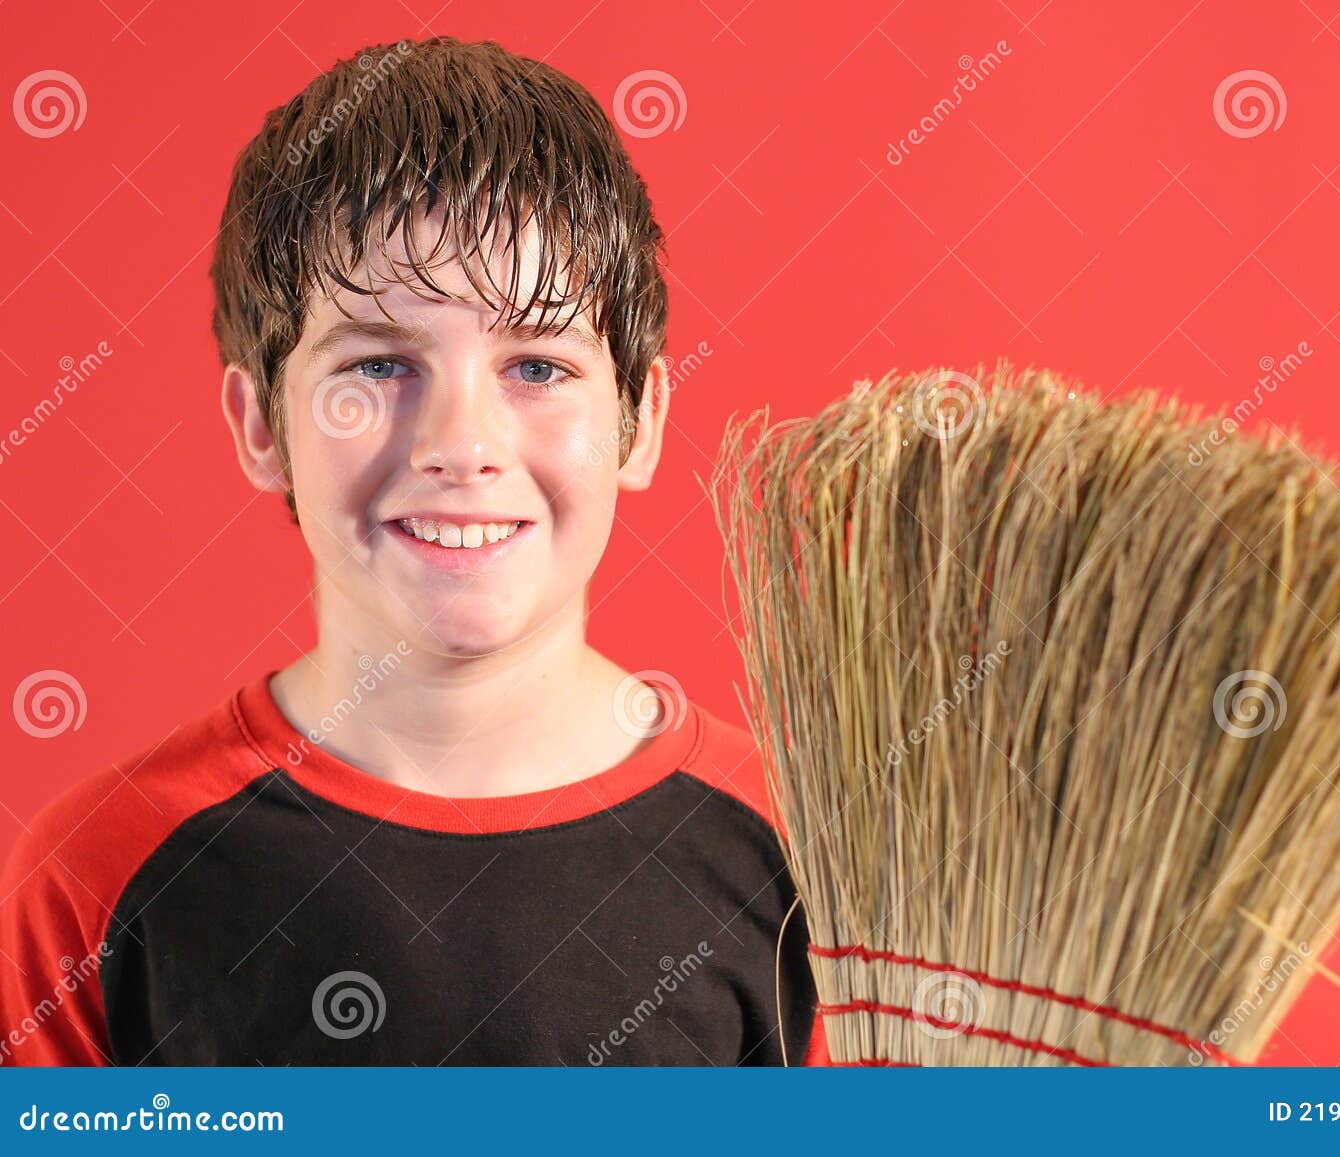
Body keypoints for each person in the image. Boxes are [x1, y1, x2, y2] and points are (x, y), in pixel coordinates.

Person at [0, 35, 826, 1066]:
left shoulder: (808, 865)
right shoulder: (101, 878)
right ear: (261, 423)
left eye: (536, 364)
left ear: (642, 418)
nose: (461, 445)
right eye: (381, 362)